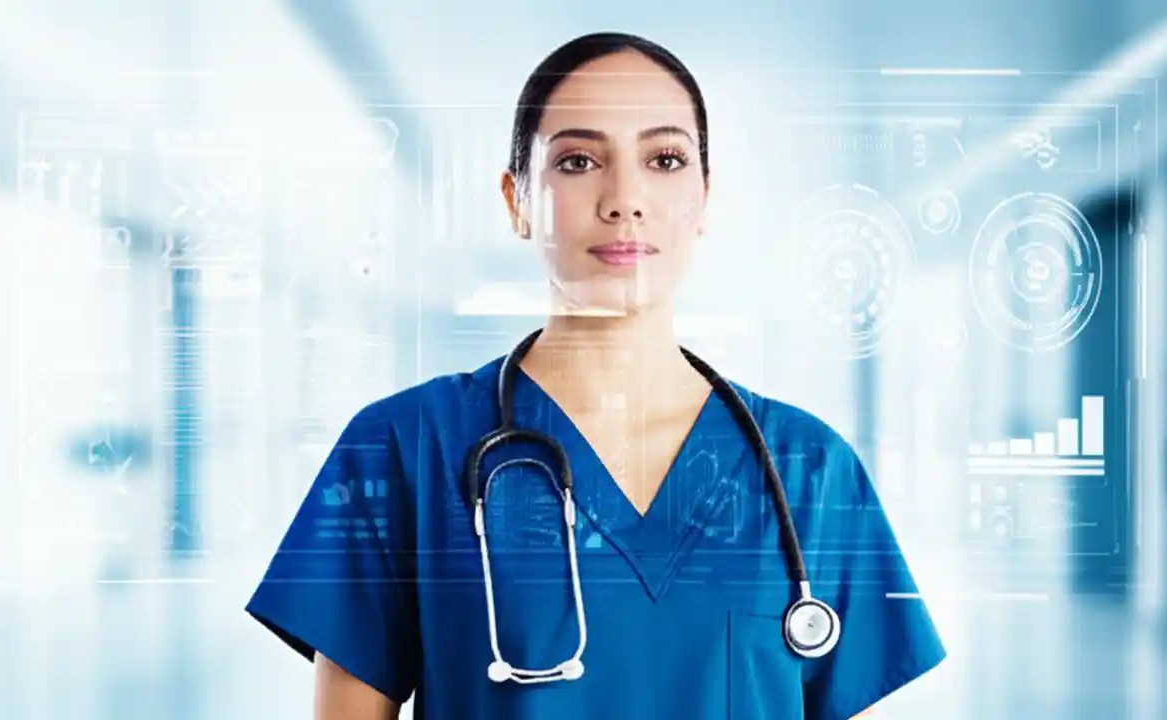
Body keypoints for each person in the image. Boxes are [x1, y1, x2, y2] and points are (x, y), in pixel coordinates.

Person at [245, 30, 946, 719]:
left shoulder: (809, 471)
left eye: (665, 159)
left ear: (705, 197)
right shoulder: (405, 447)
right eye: (578, 162)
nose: (624, 199)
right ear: (517, 199)